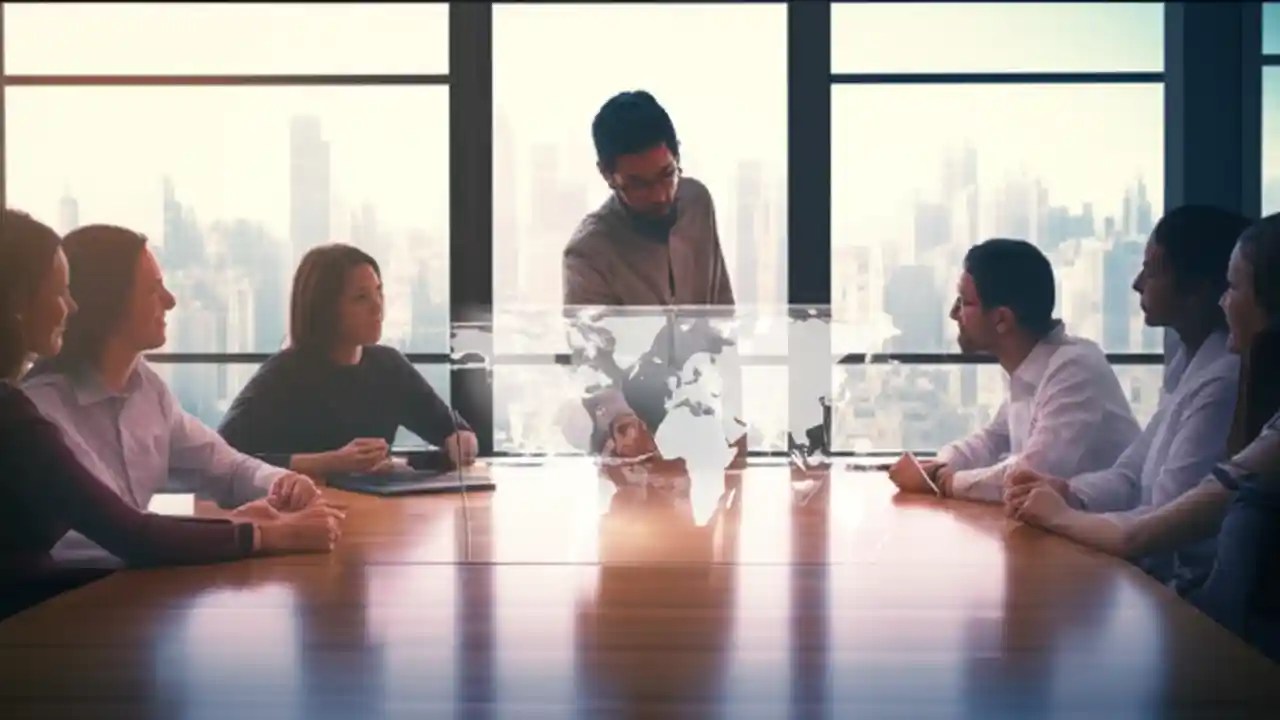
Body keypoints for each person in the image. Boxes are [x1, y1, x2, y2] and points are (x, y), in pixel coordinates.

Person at [0, 210, 341, 617]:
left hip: (116, 605)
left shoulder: (148, 391)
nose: (171, 301)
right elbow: (121, 535)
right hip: (50, 619)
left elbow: (223, 467)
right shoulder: (30, 411)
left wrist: (283, 484)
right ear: (109, 302)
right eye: (153, 289)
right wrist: (257, 533)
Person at [1012, 213, 1280, 661]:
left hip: (1217, 633)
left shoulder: (1228, 386)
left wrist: (1059, 515)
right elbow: (1131, 473)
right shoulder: (1192, 367)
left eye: (1232, 288)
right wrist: (1069, 495)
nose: (1223, 303)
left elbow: (1150, 531)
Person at [887, 238, 1140, 502]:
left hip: (1109, 535)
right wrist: (940, 465)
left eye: (964, 301)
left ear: (1001, 320)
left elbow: (1028, 476)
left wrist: (946, 482)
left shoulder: (1075, 370)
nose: (953, 313)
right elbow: (992, 440)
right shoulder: (1030, 369)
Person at [563, 90, 741, 462]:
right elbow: (591, 362)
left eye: (667, 174)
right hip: (635, 447)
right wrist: (624, 426)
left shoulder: (696, 203)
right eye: (639, 184)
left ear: (677, 156)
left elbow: (721, 316)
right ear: (607, 176)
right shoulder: (588, 252)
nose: (660, 195)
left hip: (706, 428)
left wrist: (735, 425)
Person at [219, 243, 477, 473]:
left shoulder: (389, 366)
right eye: (361, 298)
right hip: (303, 514)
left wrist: (461, 443)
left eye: (379, 291)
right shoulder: (283, 375)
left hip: (376, 513)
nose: (378, 306)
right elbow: (221, 457)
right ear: (324, 309)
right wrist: (330, 462)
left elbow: (454, 430)